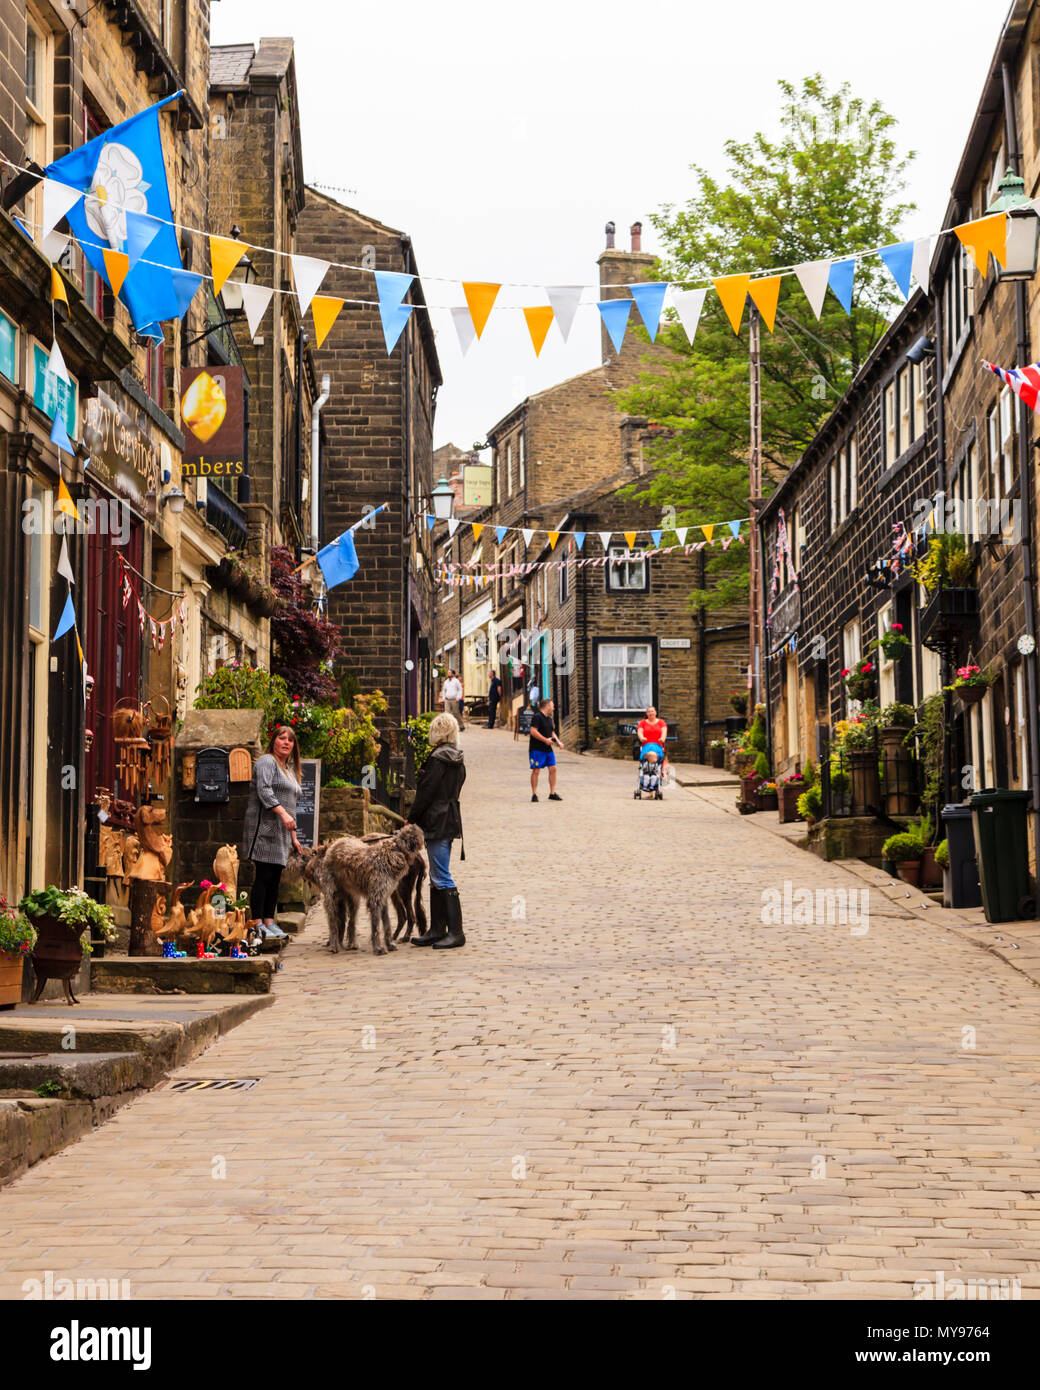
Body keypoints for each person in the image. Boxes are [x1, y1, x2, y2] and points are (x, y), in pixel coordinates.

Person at [407, 713, 467, 948]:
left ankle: (456, 932)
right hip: (450, 818)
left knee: (441, 874)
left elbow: (426, 793)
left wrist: (411, 819)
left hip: (436, 820)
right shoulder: (456, 757)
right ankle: (437, 929)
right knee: (436, 876)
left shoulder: (437, 759)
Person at [241, 725, 302, 935]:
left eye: (290, 740)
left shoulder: (290, 769)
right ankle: (257, 922)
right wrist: (283, 814)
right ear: (273, 741)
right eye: (282, 738)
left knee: (275, 878)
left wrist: (294, 835)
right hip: (264, 828)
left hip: (282, 832)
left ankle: (269, 922)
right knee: (264, 875)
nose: (286, 742)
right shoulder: (267, 761)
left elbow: (291, 804)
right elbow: (264, 790)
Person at [529, 696, 564, 802]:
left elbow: (552, 732)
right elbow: (533, 731)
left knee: (553, 769)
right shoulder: (537, 717)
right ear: (547, 706)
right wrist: (545, 740)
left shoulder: (549, 719)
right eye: (552, 706)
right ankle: (534, 794)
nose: (554, 708)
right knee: (536, 770)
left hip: (548, 749)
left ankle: (552, 793)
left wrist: (558, 742)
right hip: (536, 748)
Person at [637, 705, 670, 779]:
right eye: (649, 711)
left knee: (654, 753)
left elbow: (664, 732)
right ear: (646, 713)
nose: (650, 713)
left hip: (658, 745)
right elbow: (640, 732)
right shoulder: (642, 722)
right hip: (646, 745)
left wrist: (662, 738)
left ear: (655, 712)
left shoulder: (661, 722)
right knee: (649, 753)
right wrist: (642, 738)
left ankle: (654, 771)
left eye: (652, 711)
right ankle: (651, 771)